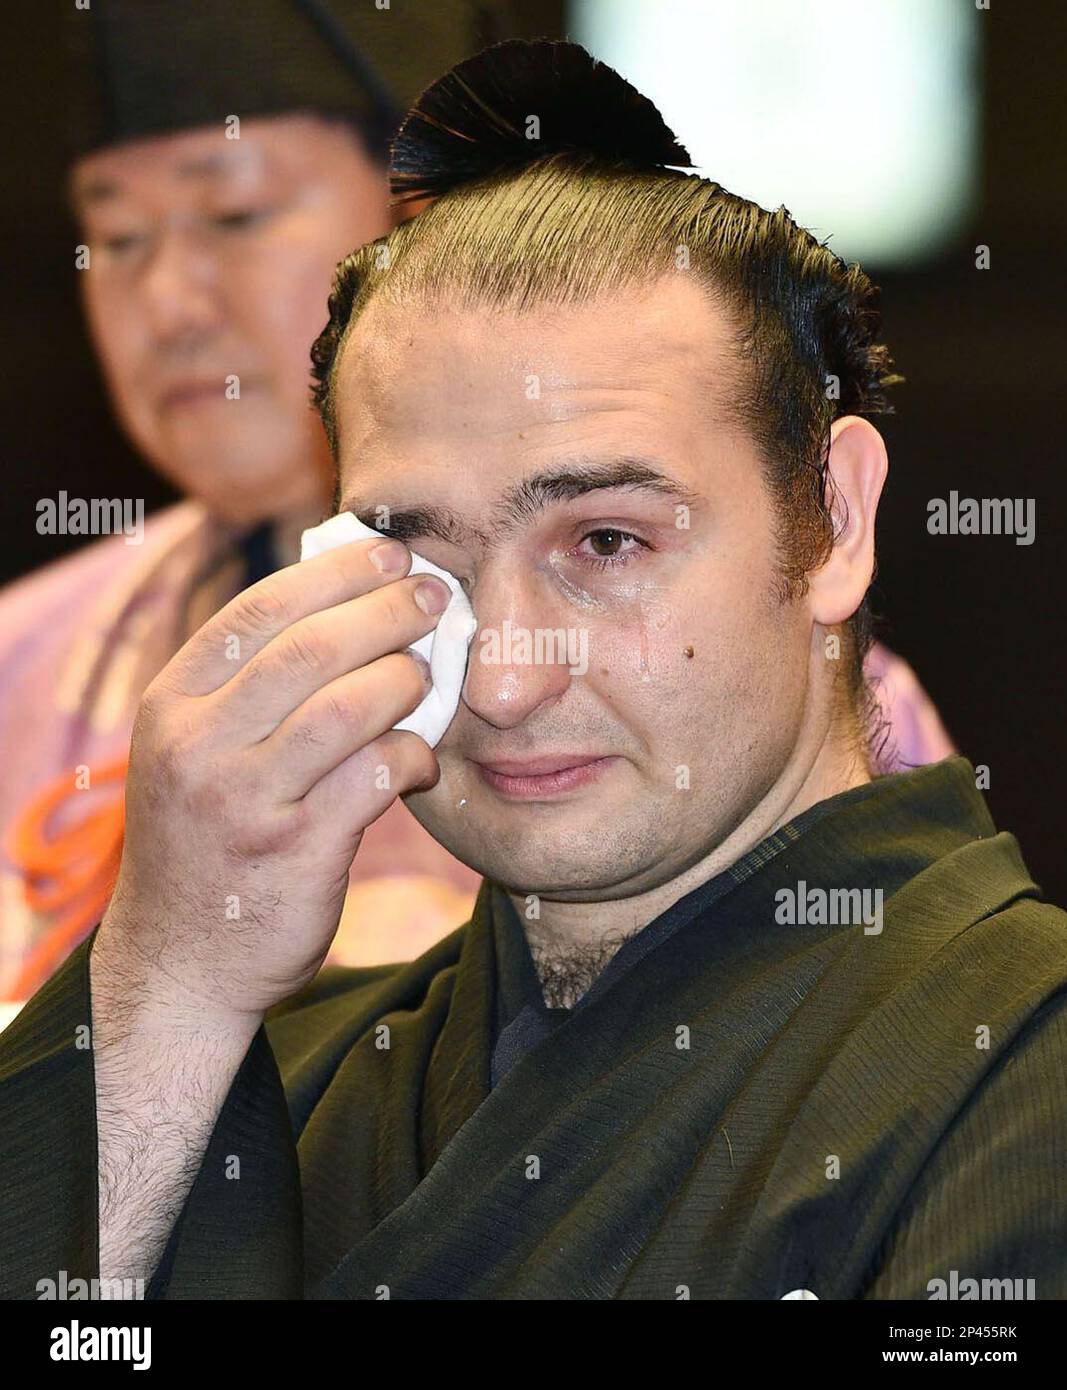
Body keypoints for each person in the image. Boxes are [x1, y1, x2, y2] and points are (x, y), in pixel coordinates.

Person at [3, 38, 1029, 1303]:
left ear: (835, 519)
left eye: (605, 542)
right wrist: (165, 974)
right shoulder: (279, 1062)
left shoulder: (1009, 1062)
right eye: (415, 552)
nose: (497, 681)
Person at [0, 0, 543, 1004]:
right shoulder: (16, 664)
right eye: (115, 237)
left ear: (428, 223)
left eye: (236, 214)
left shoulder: (705, 633)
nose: (165, 305)